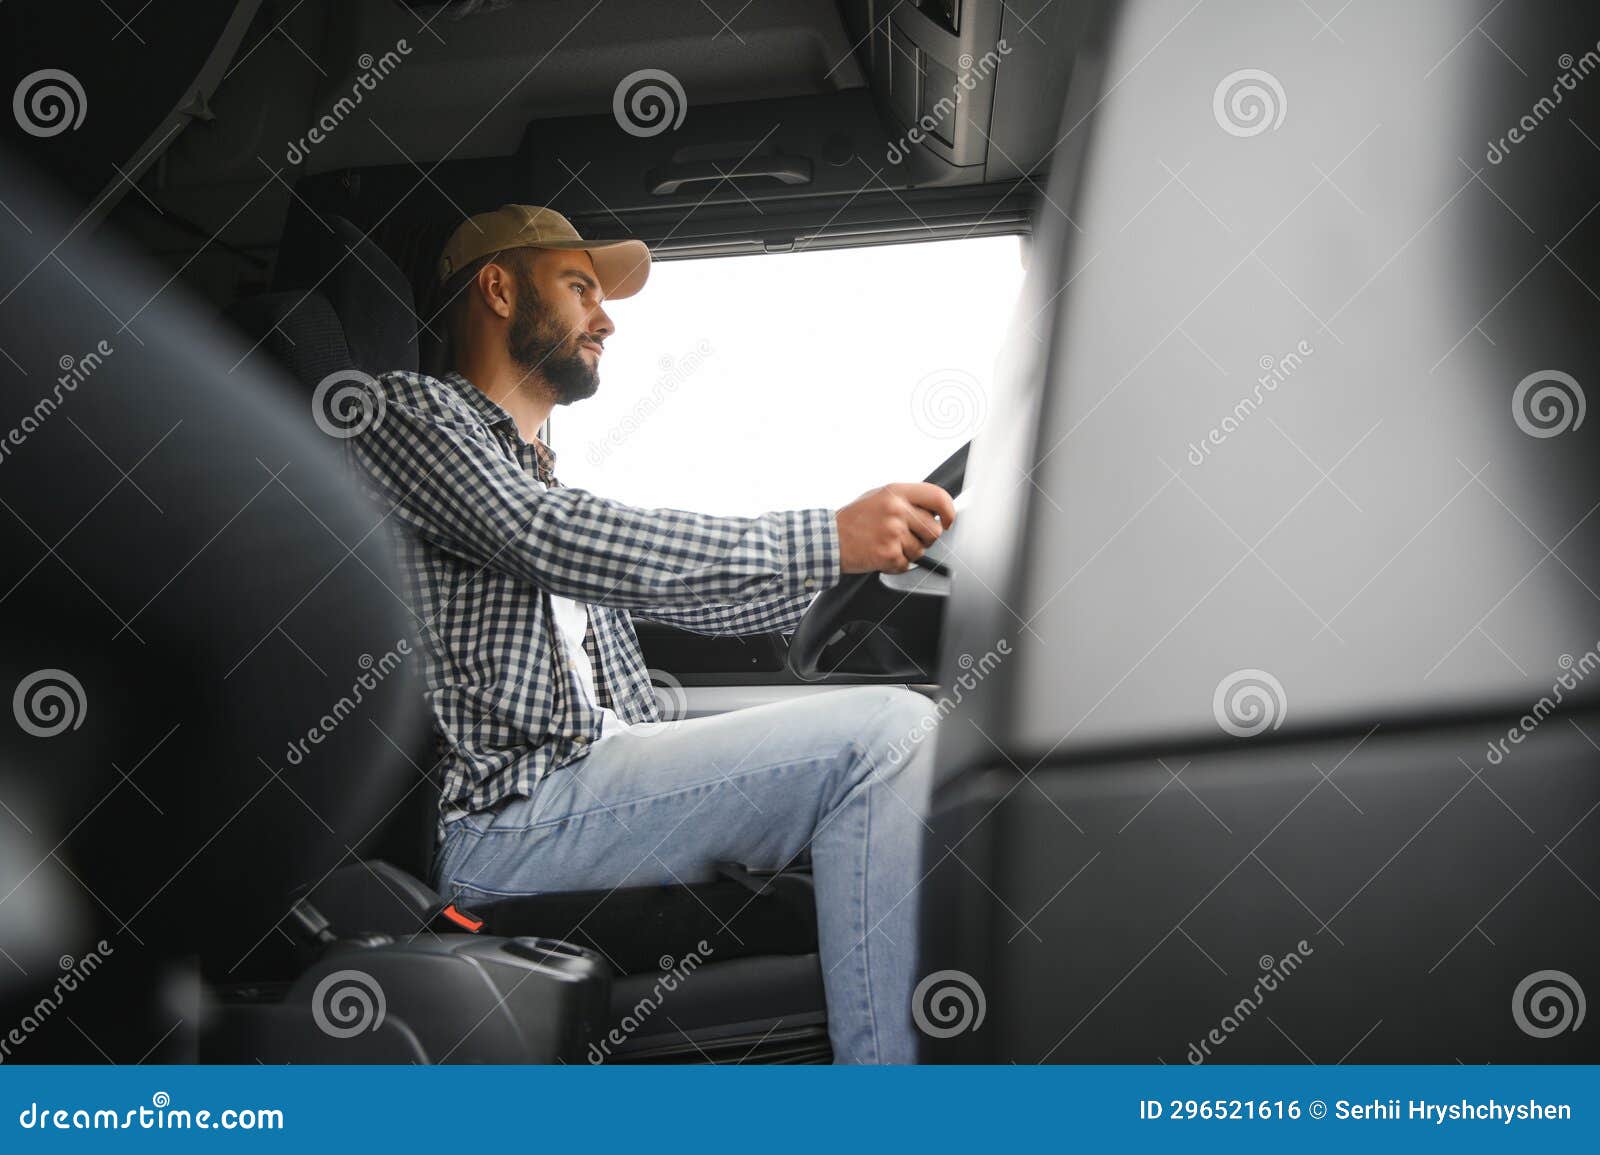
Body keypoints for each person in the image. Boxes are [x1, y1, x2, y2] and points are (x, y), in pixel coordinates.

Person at [348, 204, 956, 1063]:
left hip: (593, 784)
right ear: (496, 287)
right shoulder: (400, 413)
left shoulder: (544, 474)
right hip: (507, 819)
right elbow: (542, 533)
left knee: (899, 744)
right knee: (887, 737)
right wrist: (824, 534)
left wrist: (847, 570)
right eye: (579, 287)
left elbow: (685, 602)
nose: (606, 319)